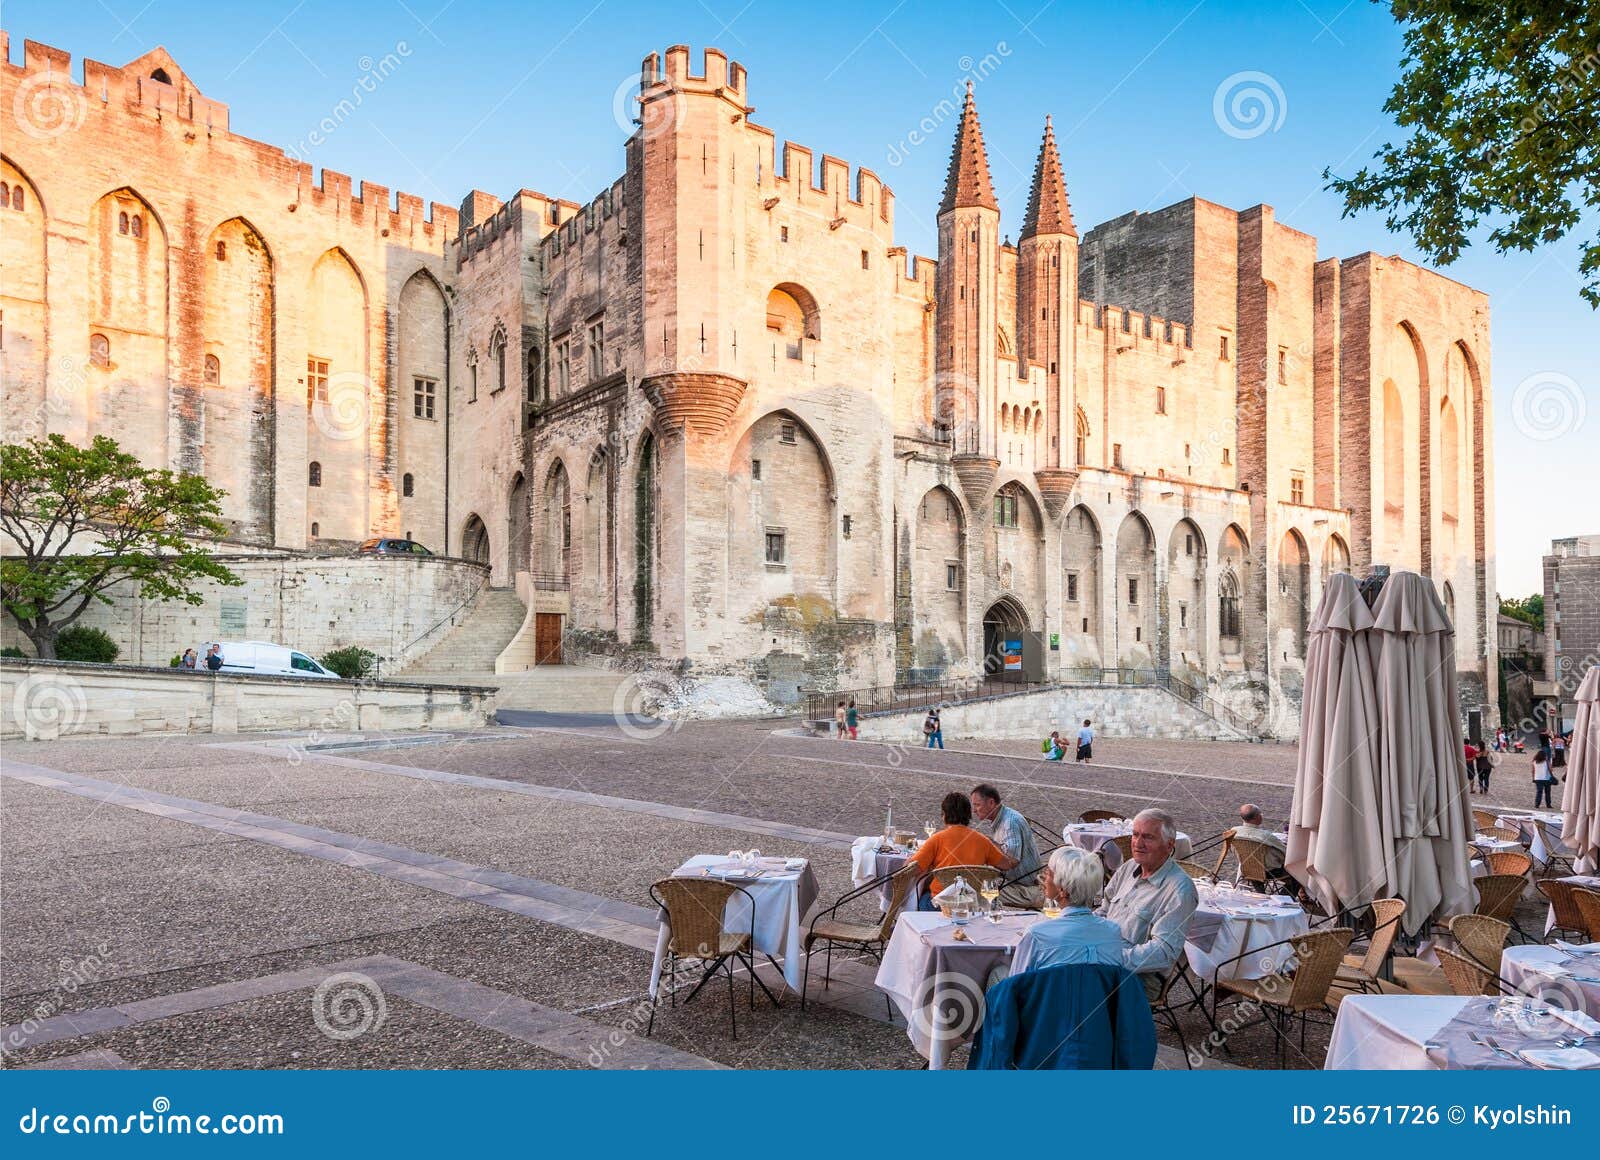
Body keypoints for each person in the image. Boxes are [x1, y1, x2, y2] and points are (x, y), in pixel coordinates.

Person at [1096, 807, 1198, 1000]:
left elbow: (1163, 953)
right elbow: (1103, 911)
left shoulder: (1180, 890)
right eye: (1135, 835)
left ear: (1169, 846)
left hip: (1140, 978)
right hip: (1105, 959)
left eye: (1148, 837)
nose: (1138, 844)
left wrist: (1111, 958)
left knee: (1072, 983)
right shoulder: (1129, 867)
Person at [1011, 848, 1125, 973]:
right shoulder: (1113, 932)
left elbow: (1016, 984)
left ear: (1062, 890)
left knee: (998, 972)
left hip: (1051, 992)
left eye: (1048, 873)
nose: (1044, 878)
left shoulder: (1037, 935)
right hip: (1099, 992)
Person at [908, 791, 1017, 906]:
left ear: (944, 815)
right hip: (970, 903)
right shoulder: (983, 841)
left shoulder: (937, 839)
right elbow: (1006, 865)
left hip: (941, 902)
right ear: (968, 815)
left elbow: (910, 869)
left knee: (919, 896)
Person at [972, 783, 1044, 908]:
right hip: (1015, 881)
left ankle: (988, 922)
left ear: (991, 802)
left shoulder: (1010, 822)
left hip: (1025, 888)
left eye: (977, 805)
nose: (974, 810)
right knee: (974, 881)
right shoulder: (1003, 817)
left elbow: (1011, 861)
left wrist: (987, 844)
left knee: (976, 889)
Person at [1532, 740, 1556, 809]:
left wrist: (1533, 778)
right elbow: (1550, 769)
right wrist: (1551, 774)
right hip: (1546, 778)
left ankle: (1537, 804)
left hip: (1538, 778)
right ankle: (1548, 804)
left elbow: (1533, 771)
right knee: (1547, 792)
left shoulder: (1534, 762)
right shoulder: (1546, 761)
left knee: (1539, 792)